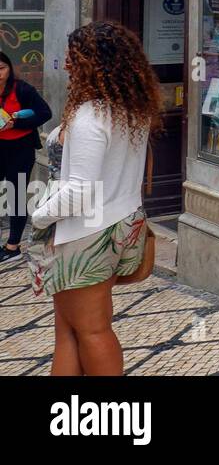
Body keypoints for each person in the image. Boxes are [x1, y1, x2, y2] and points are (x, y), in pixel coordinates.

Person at [27, 22, 162, 376]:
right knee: (70, 330)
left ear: (96, 63)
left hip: (86, 233)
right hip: (120, 223)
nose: (67, 65)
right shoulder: (131, 110)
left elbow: (79, 191)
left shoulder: (91, 116)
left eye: (75, 58)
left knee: (91, 330)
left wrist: (38, 217)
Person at [0, 52, 52, 262]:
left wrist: (17, 123)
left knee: (15, 195)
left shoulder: (22, 89)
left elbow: (44, 113)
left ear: (9, 68)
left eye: (1, 68)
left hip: (20, 149)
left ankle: (13, 246)